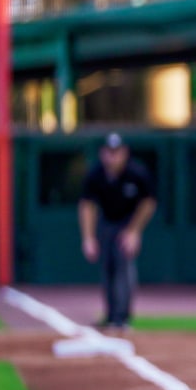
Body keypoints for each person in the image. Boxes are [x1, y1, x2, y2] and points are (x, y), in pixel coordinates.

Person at [78, 133, 157, 333]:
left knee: (124, 268)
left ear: (125, 153)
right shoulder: (96, 174)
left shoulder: (136, 173)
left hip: (128, 221)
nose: (112, 157)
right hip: (107, 222)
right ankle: (111, 315)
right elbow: (87, 205)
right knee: (107, 268)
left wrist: (134, 231)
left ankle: (122, 317)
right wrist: (88, 237)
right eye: (108, 153)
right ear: (102, 153)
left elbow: (148, 203)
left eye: (116, 153)